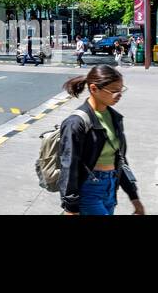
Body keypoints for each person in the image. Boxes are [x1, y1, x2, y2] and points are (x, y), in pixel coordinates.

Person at [58, 65, 145, 216]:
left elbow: (120, 160)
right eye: (113, 91)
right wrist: (71, 207)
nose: (119, 94)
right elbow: (69, 166)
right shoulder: (76, 123)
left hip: (110, 188)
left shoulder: (114, 117)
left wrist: (134, 197)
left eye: (121, 89)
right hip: (89, 189)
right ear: (93, 89)